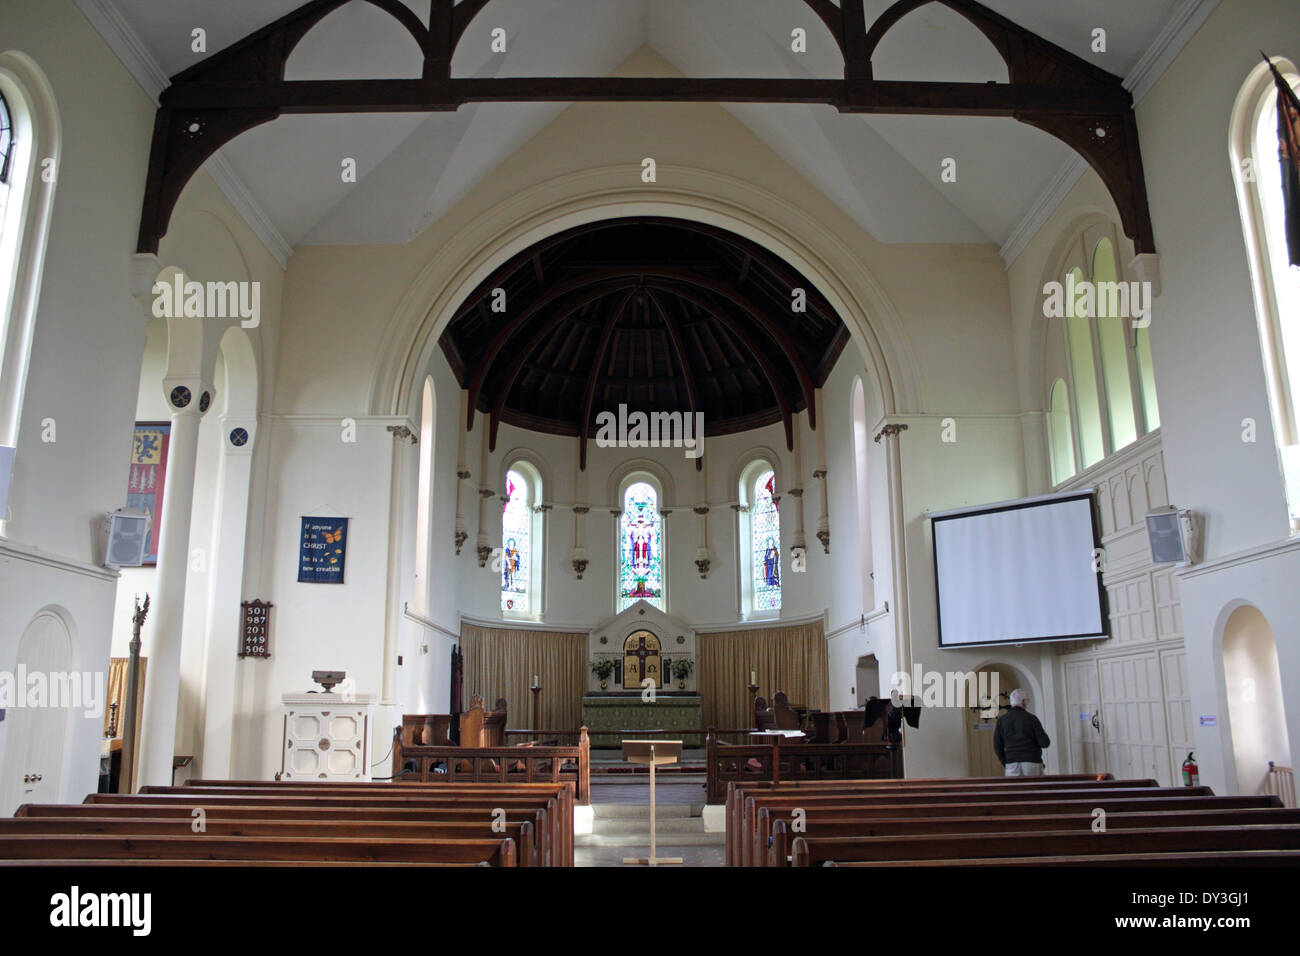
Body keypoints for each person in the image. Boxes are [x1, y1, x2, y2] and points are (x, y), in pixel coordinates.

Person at [993, 688, 1050, 776]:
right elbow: (1045, 743)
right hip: (1032, 761)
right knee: (1033, 789)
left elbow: (997, 745)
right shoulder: (1031, 719)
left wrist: (1006, 761)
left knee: (1015, 789)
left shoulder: (1002, 720)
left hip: (1011, 762)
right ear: (1023, 701)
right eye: (1027, 701)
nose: (1027, 703)